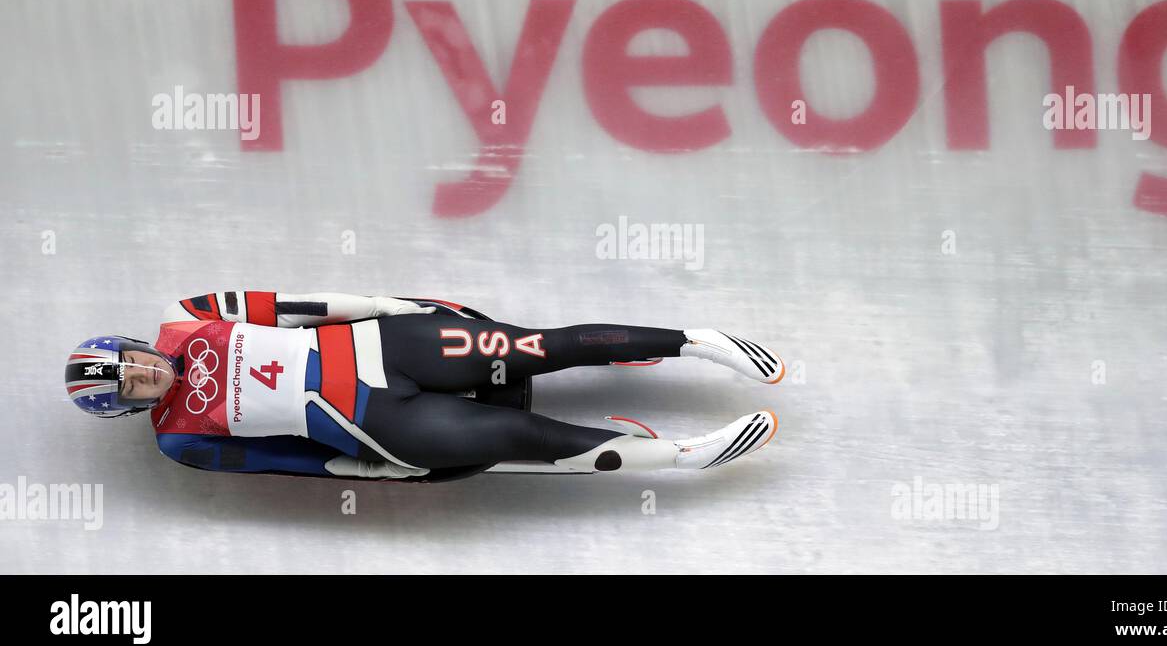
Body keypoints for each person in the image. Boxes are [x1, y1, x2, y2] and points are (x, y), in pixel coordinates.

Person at [64, 291, 781, 480]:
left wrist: (382, 305)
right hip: (377, 426)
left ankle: (697, 342)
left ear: (133, 346)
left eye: (132, 362)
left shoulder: (185, 317)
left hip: (387, 344)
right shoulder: (179, 441)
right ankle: (685, 456)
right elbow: (277, 461)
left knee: (542, 347)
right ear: (126, 409)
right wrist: (358, 469)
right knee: (524, 439)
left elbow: (289, 305)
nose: (145, 376)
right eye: (131, 388)